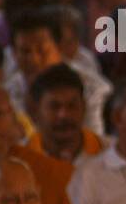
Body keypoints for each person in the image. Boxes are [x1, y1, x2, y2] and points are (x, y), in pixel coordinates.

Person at [8, 8, 110, 138]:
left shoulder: (93, 89)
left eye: (42, 51)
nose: (33, 59)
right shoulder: (8, 90)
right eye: (25, 51)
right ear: (13, 54)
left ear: (59, 48)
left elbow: (93, 140)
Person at [26, 64, 107, 168]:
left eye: (72, 106)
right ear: (35, 111)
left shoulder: (110, 154)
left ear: (84, 107)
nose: (63, 115)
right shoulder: (19, 159)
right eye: (54, 107)